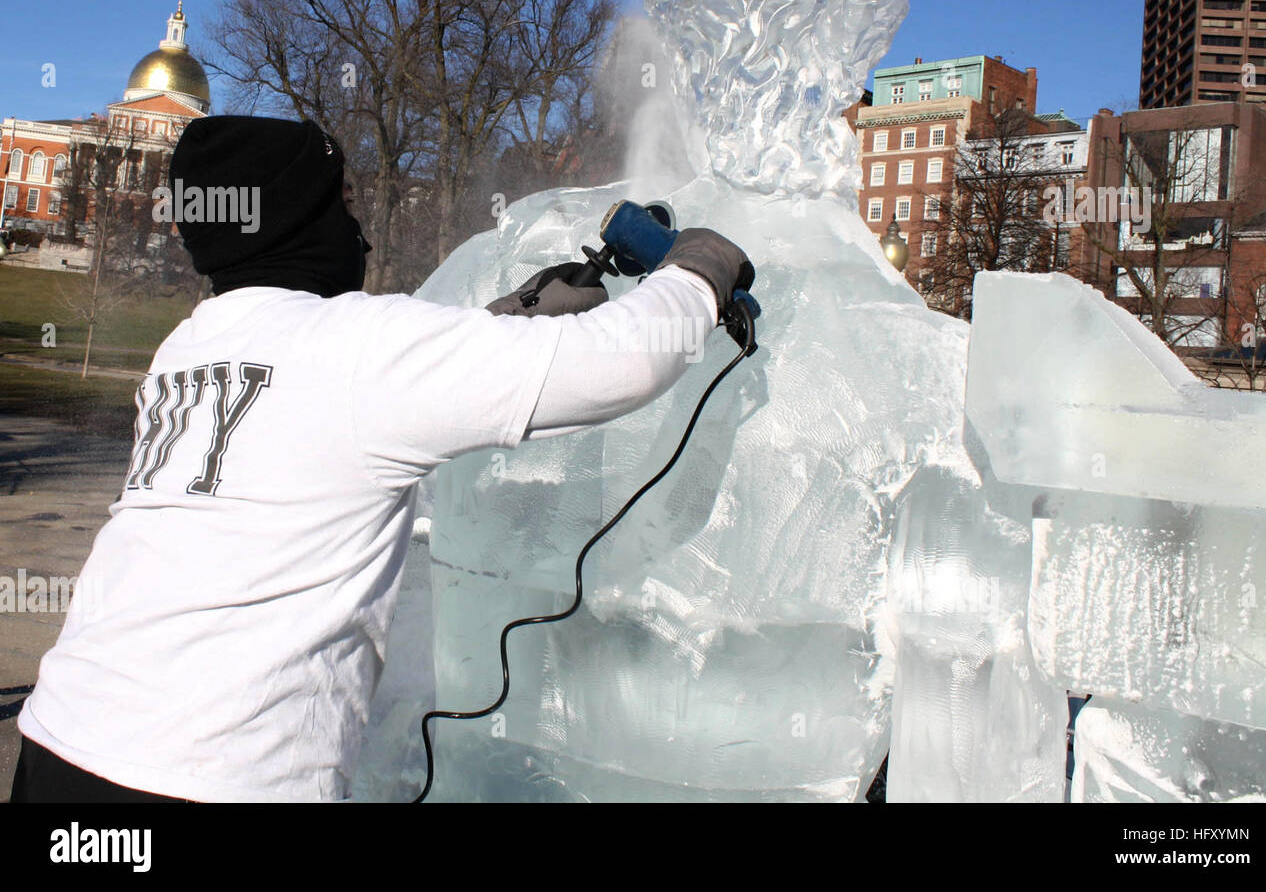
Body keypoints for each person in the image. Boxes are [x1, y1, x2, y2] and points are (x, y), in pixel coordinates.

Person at [9, 115, 753, 803]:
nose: (357, 227)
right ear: (300, 215)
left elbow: (329, 406)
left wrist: (502, 327)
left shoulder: (188, 347)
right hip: (217, 776)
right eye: (342, 203)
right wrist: (698, 270)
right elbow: (618, 364)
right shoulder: (361, 347)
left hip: (63, 746)